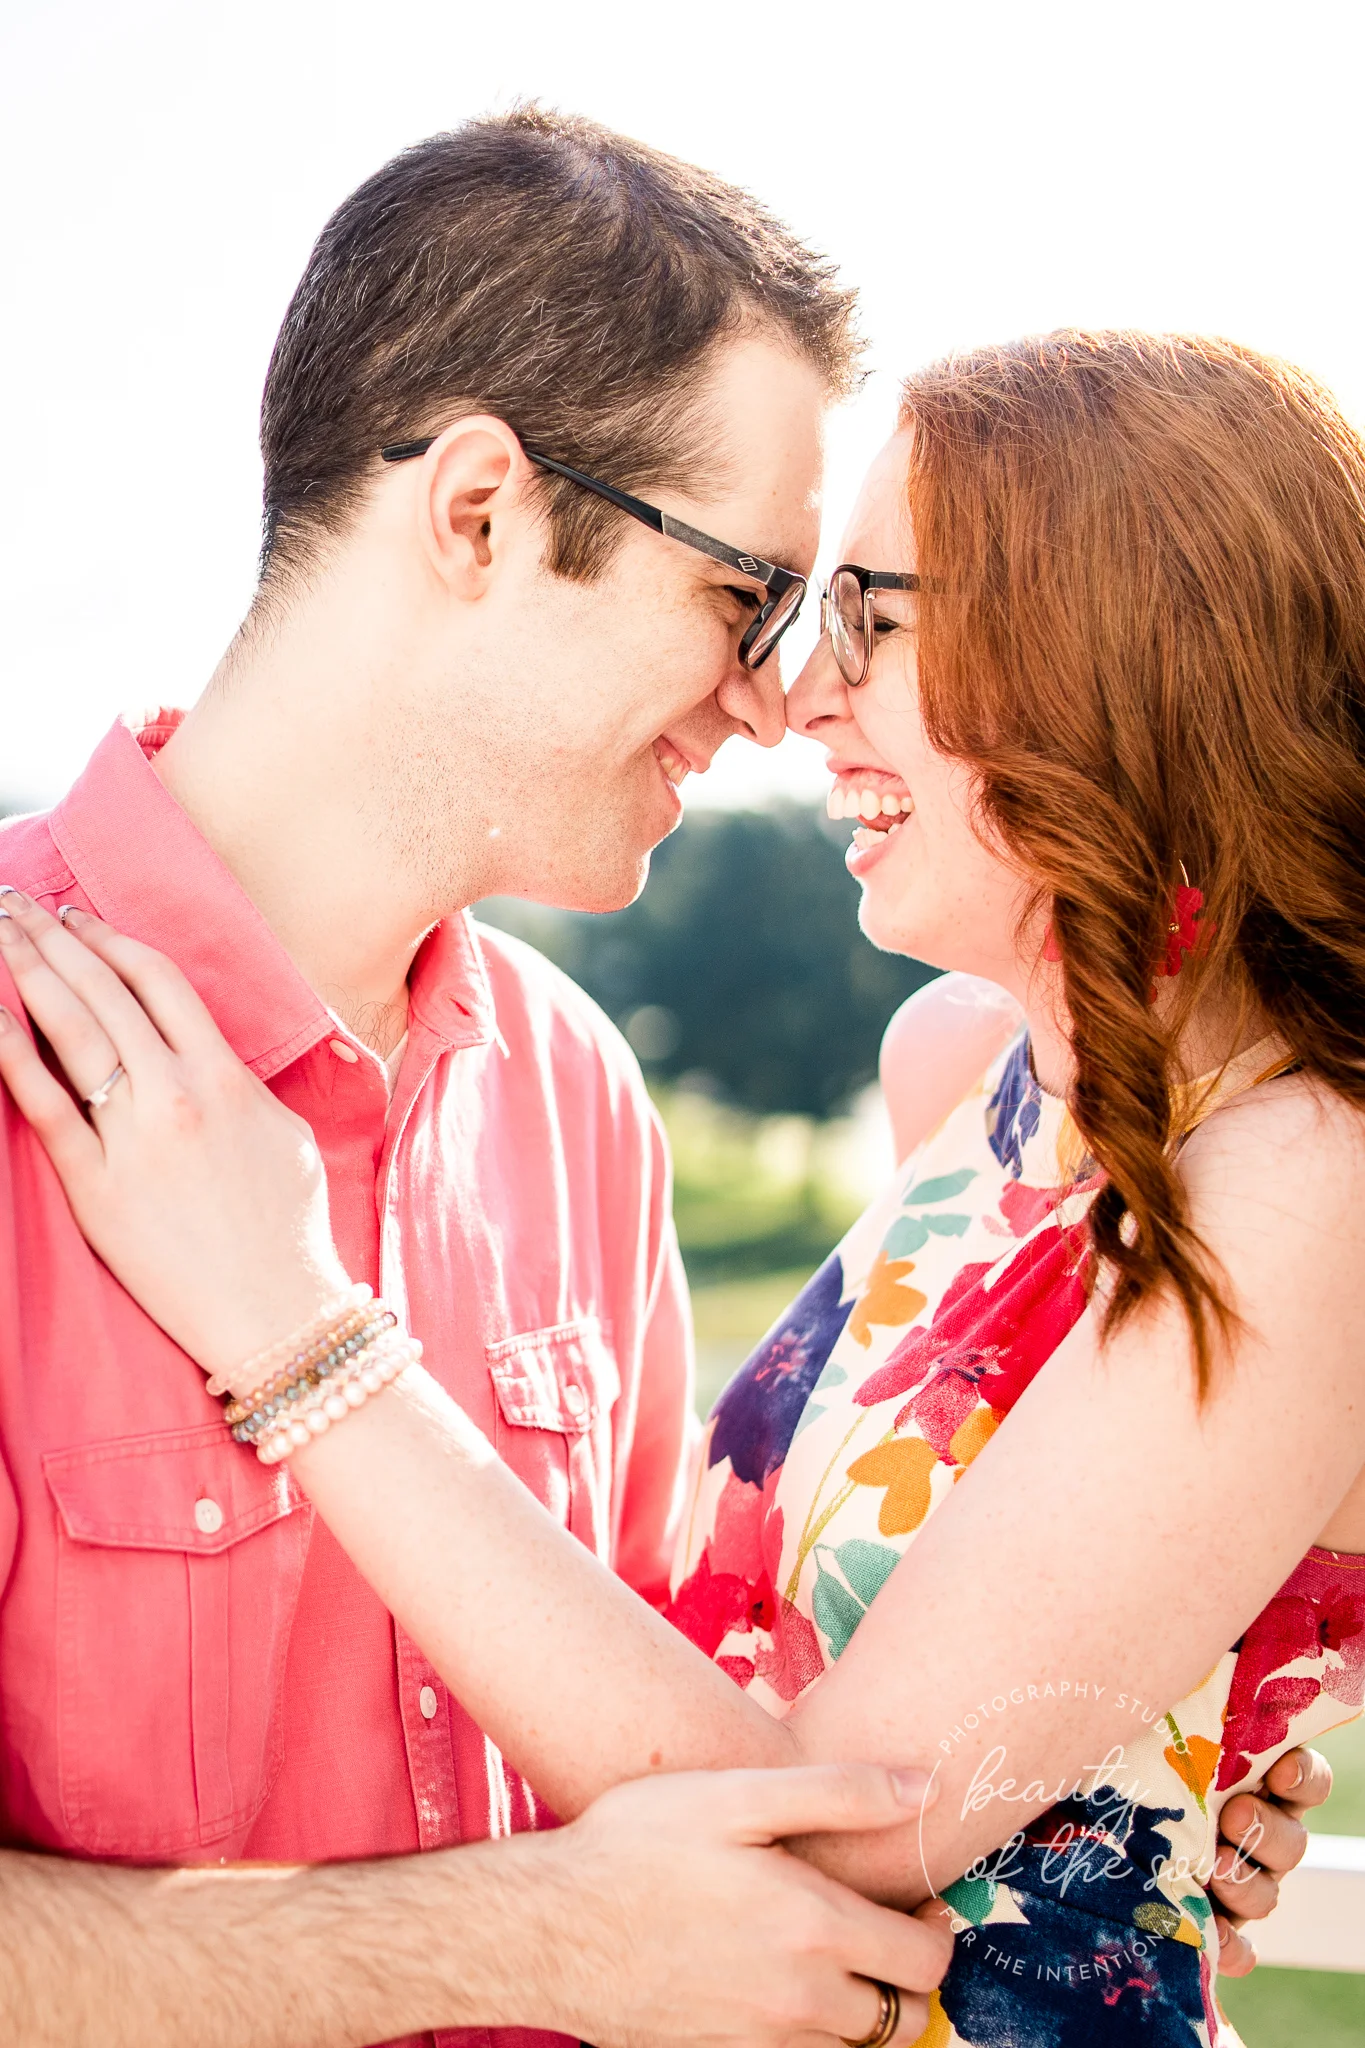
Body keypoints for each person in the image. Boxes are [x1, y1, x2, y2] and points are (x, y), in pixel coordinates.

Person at [0, 323, 1354, 2048]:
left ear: (1122, 650)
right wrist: (1122, 1759)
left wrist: (290, 1320)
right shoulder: (958, 1078)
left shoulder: (1312, 1181)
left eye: (869, 612)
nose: (793, 693)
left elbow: (822, 1821)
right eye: (766, 603)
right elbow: (711, 1650)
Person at [0, 107, 965, 2048]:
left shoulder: (576, 1093)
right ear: (478, 512)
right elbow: (593, 1908)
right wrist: (512, 1940)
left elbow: (701, 1761)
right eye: (745, 597)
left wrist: (1152, 1768)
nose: (780, 701)